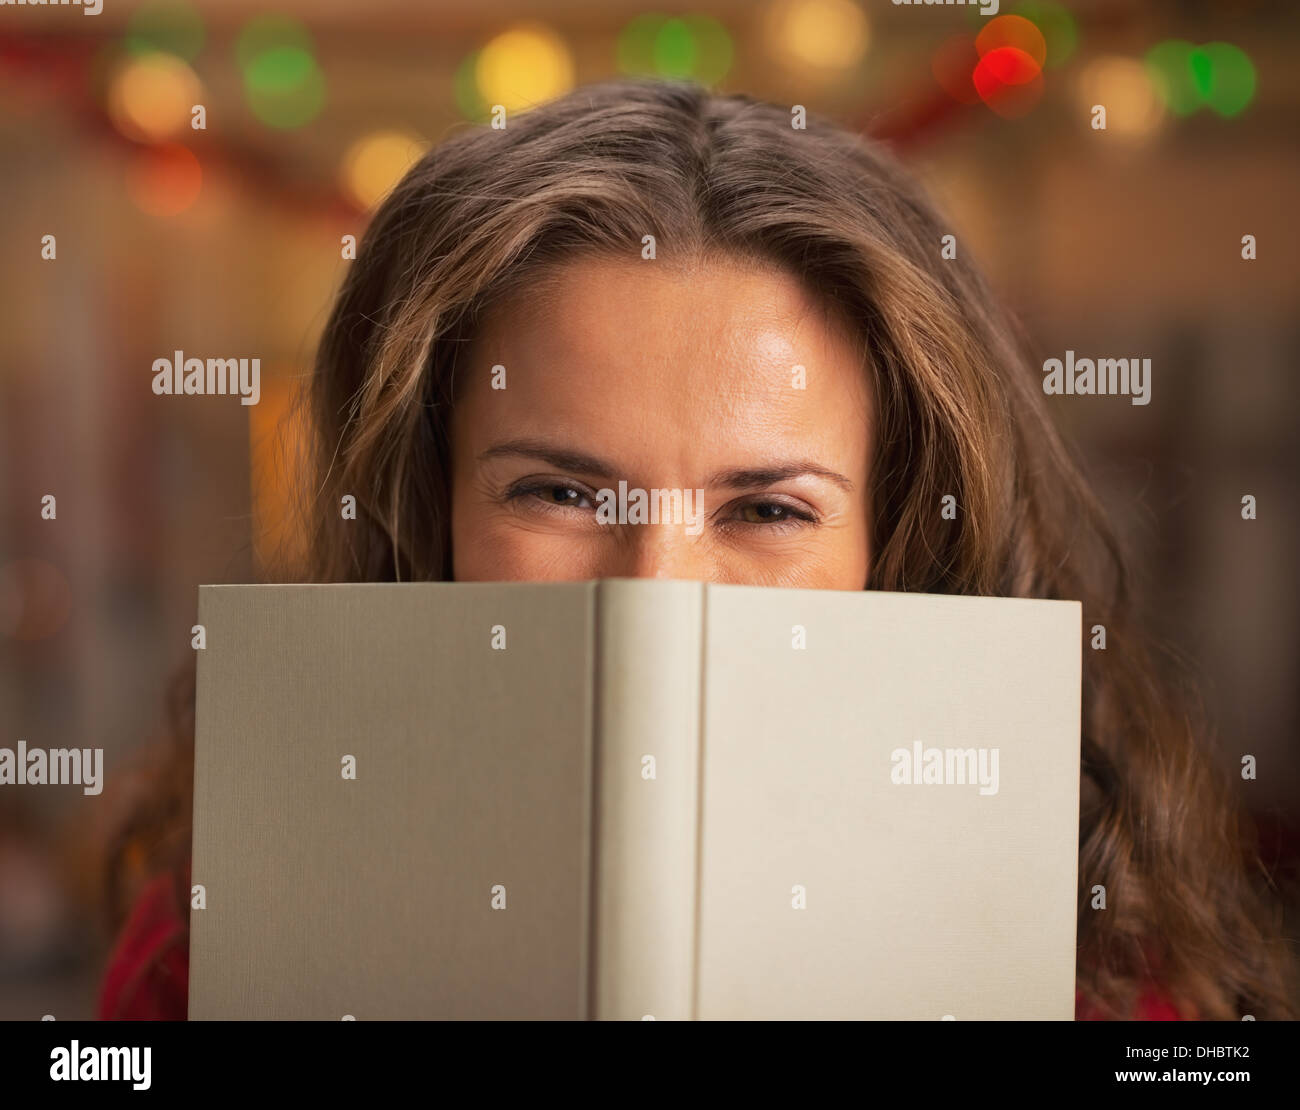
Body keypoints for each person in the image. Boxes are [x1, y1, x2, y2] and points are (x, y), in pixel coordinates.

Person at [99, 77, 1296, 1021]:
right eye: (560, 490)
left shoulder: (1101, 981)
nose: (659, 595)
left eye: (767, 509)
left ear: (900, 535)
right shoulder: (213, 948)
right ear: (427, 505)